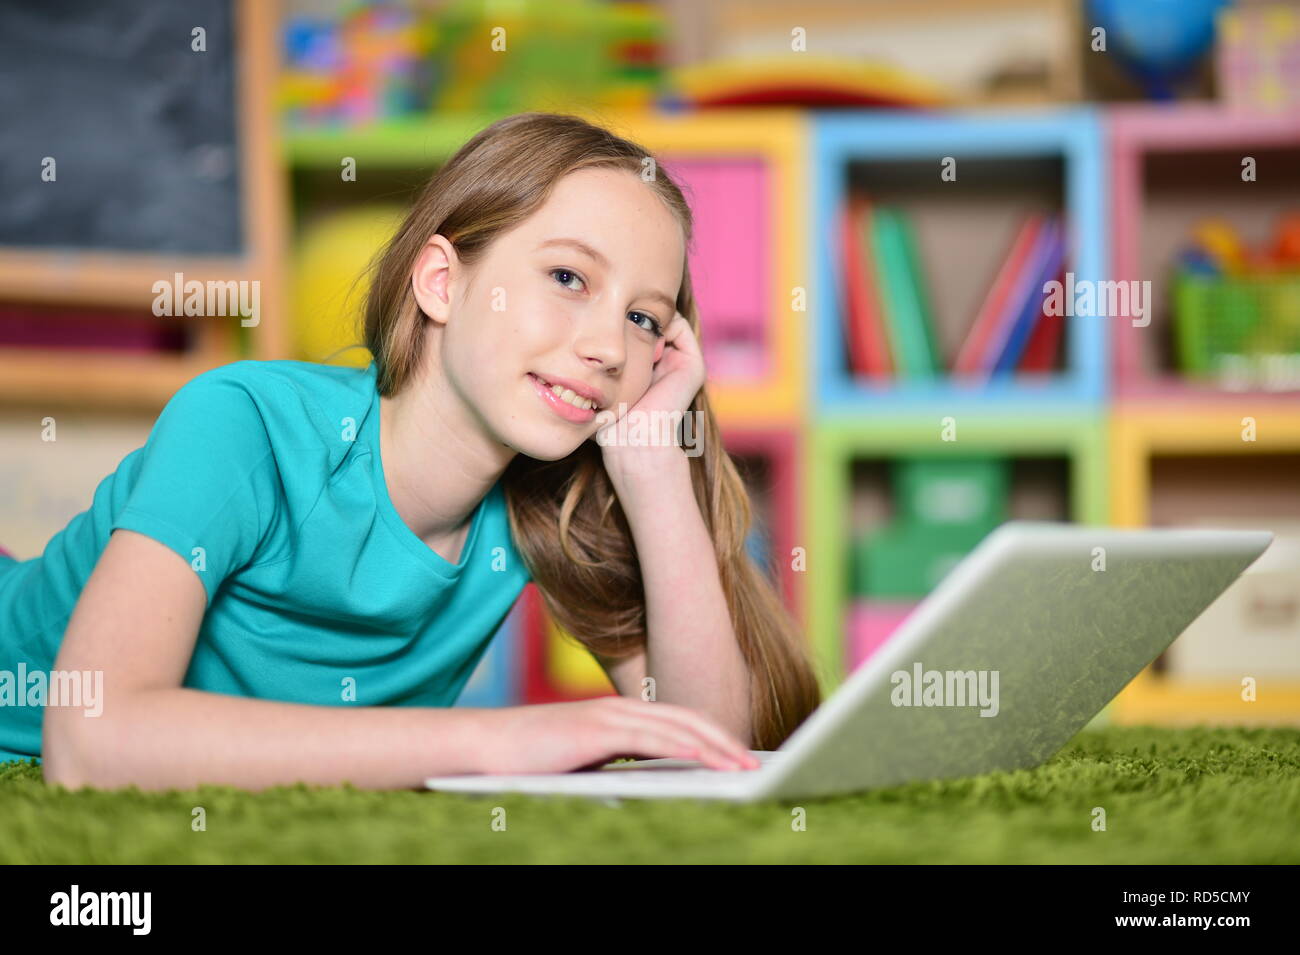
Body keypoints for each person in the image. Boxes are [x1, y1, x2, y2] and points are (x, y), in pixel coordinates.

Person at [0, 111, 821, 791]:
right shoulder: (244, 422)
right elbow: (90, 742)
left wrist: (653, 468)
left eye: (645, 318)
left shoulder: (544, 503)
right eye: (569, 278)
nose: (610, 345)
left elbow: (707, 752)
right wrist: (491, 741)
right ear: (441, 282)